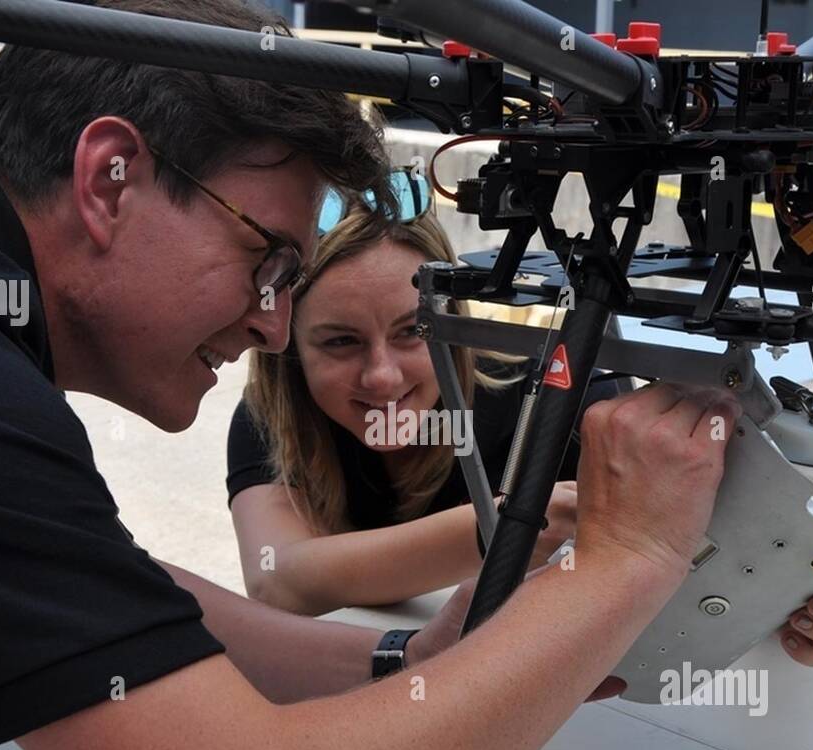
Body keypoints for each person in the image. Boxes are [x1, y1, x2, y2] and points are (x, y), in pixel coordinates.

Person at [0, 0, 813, 750]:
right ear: (111, 179)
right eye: (270, 260)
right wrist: (629, 559)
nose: (271, 321)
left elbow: (84, 579)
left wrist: (404, 656)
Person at [227, 200, 623, 614]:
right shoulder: (270, 417)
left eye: (412, 331)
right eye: (341, 341)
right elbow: (275, 579)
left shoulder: (560, 400)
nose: (382, 377)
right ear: (287, 349)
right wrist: (509, 527)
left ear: (453, 320)